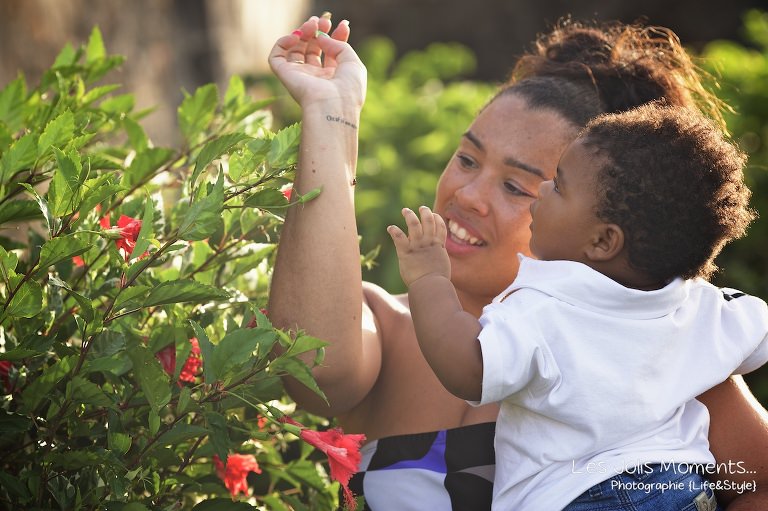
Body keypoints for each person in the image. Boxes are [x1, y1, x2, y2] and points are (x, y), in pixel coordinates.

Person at [267, 14, 768, 511]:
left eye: (517, 187)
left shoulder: (657, 354)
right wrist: (332, 114)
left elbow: (757, 483)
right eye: (467, 159)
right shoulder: (386, 326)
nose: (468, 196)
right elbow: (313, 364)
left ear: (603, 232)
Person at [387, 101, 767, 510]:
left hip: (588, 497)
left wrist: (429, 280)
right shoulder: (700, 303)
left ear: (603, 241)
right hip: (684, 490)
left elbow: (466, 367)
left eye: (559, 185)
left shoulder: (547, 307)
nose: (544, 189)